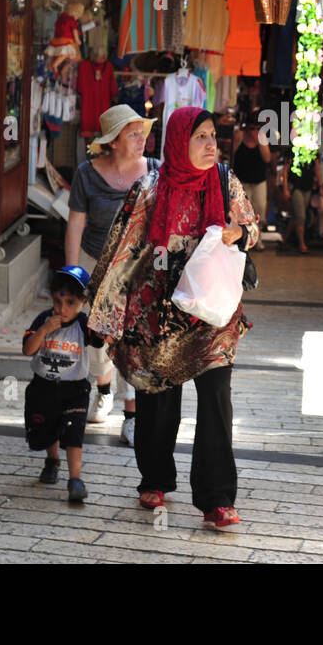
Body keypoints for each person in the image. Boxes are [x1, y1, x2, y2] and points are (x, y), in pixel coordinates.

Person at [86, 107, 259, 529]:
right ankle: (156, 477)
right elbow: (121, 252)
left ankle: (217, 498)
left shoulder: (224, 181)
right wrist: (104, 314)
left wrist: (240, 234)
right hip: (158, 314)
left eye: (212, 137)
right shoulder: (149, 190)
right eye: (199, 137)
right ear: (179, 142)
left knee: (217, 398)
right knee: (157, 397)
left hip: (212, 315)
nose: (209, 145)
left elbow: (252, 227)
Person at [66, 105, 157, 442]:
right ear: (114, 141)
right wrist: (72, 274)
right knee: (97, 339)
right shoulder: (87, 174)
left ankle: (130, 411)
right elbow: (76, 222)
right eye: (133, 134)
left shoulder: (155, 171)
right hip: (95, 264)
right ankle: (103, 389)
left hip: (137, 269)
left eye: (142, 132)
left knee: (130, 339)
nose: (141, 139)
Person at [22, 266, 100, 505]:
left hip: (76, 390)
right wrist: (44, 330)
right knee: (48, 430)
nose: (63, 309)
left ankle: (75, 480)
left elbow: (100, 340)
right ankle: (52, 460)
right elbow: (28, 349)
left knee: (74, 433)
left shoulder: (84, 324)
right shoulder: (43, 320)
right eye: (58, 301)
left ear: (83, 303)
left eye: (71, 303)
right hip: (43, 387)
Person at [231, 121, 271, 249]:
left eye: (256, 127)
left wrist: (259, 141)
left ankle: (257, 238)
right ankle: (243, 239)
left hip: (259, 181)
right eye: (251, 127)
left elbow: (267, 158)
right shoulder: (240, 137)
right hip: (242, 182)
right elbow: (231, 154)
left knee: (259, 209)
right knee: (243, 212)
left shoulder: (262, 138)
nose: (254, 130)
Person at [283, 149, 323, 253]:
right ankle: (302, 244)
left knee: (297, 215)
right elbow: (285, 170)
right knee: (301, 216)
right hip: (296, 187)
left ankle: (285, 238)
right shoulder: (293, 149)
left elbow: (317, 168)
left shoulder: (313, 150)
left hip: (308, 186)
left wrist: (320, 185)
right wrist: (285, 188)